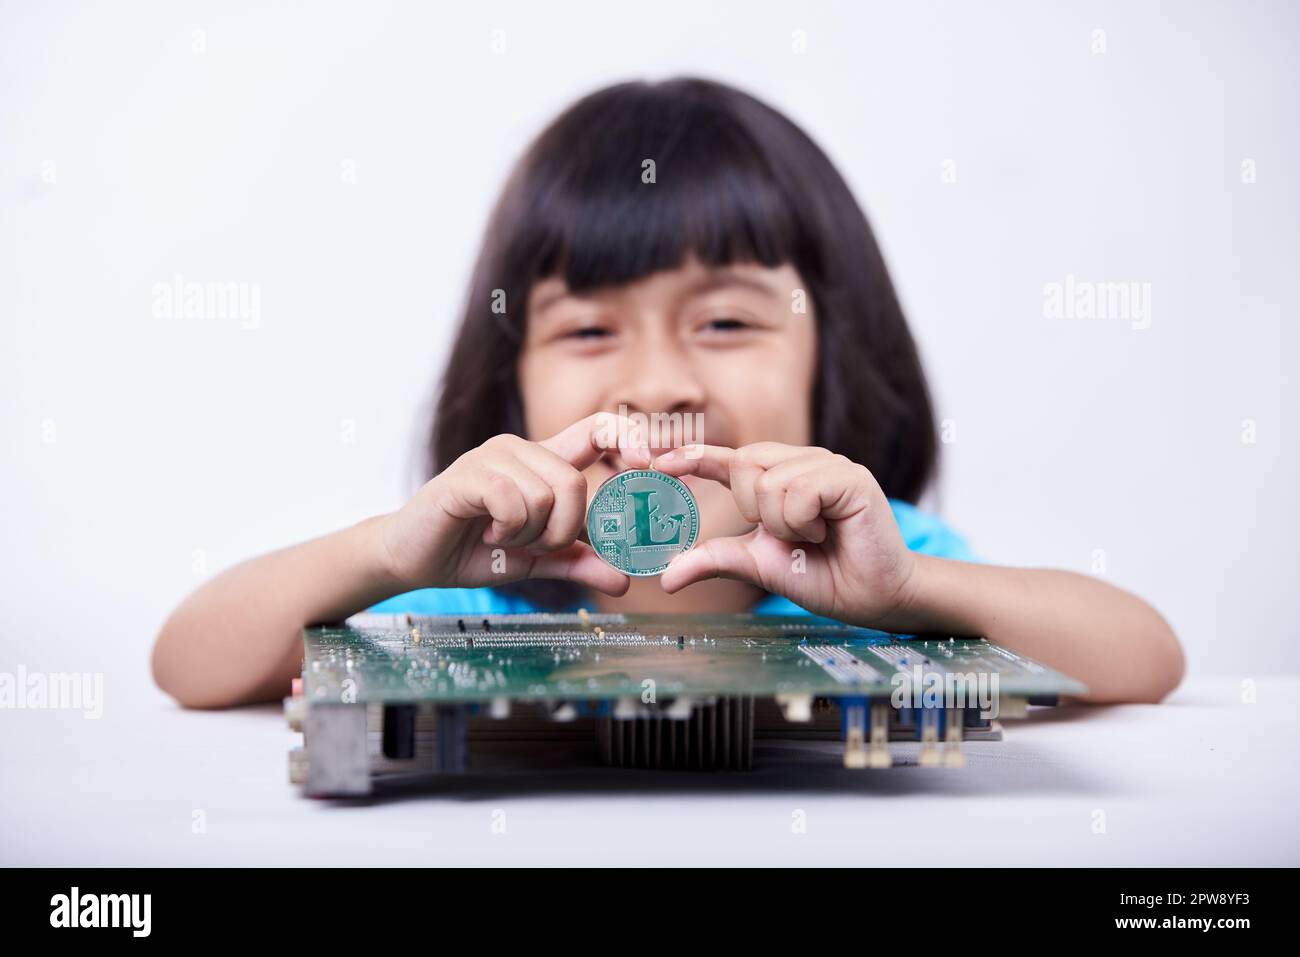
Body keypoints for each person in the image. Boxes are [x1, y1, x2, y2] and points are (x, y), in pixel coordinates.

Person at [152, 78, 1184, 709]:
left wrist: (909, 595)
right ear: (509, 376)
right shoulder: (461, 598)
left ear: (833, 352)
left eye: (726, 322)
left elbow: (1143, 657)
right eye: (589, 329)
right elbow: (187, 665)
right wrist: (384, 553)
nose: (655, 381)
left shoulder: (895, 575)